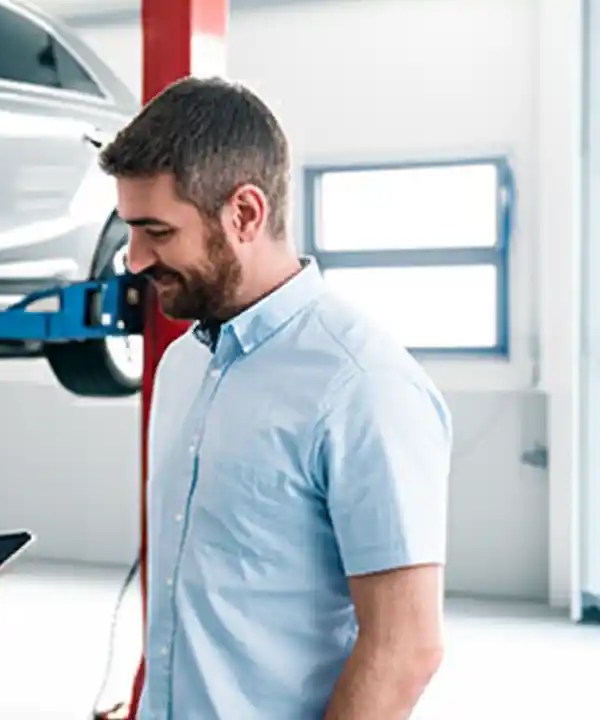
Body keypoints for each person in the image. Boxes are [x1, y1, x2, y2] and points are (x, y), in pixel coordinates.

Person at [100, 77, 451, 719]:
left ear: (245, 214)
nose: (135, 258)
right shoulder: (182, 365)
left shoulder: (361, 385)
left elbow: (405, 647)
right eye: (130, 229)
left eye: (156, 231)